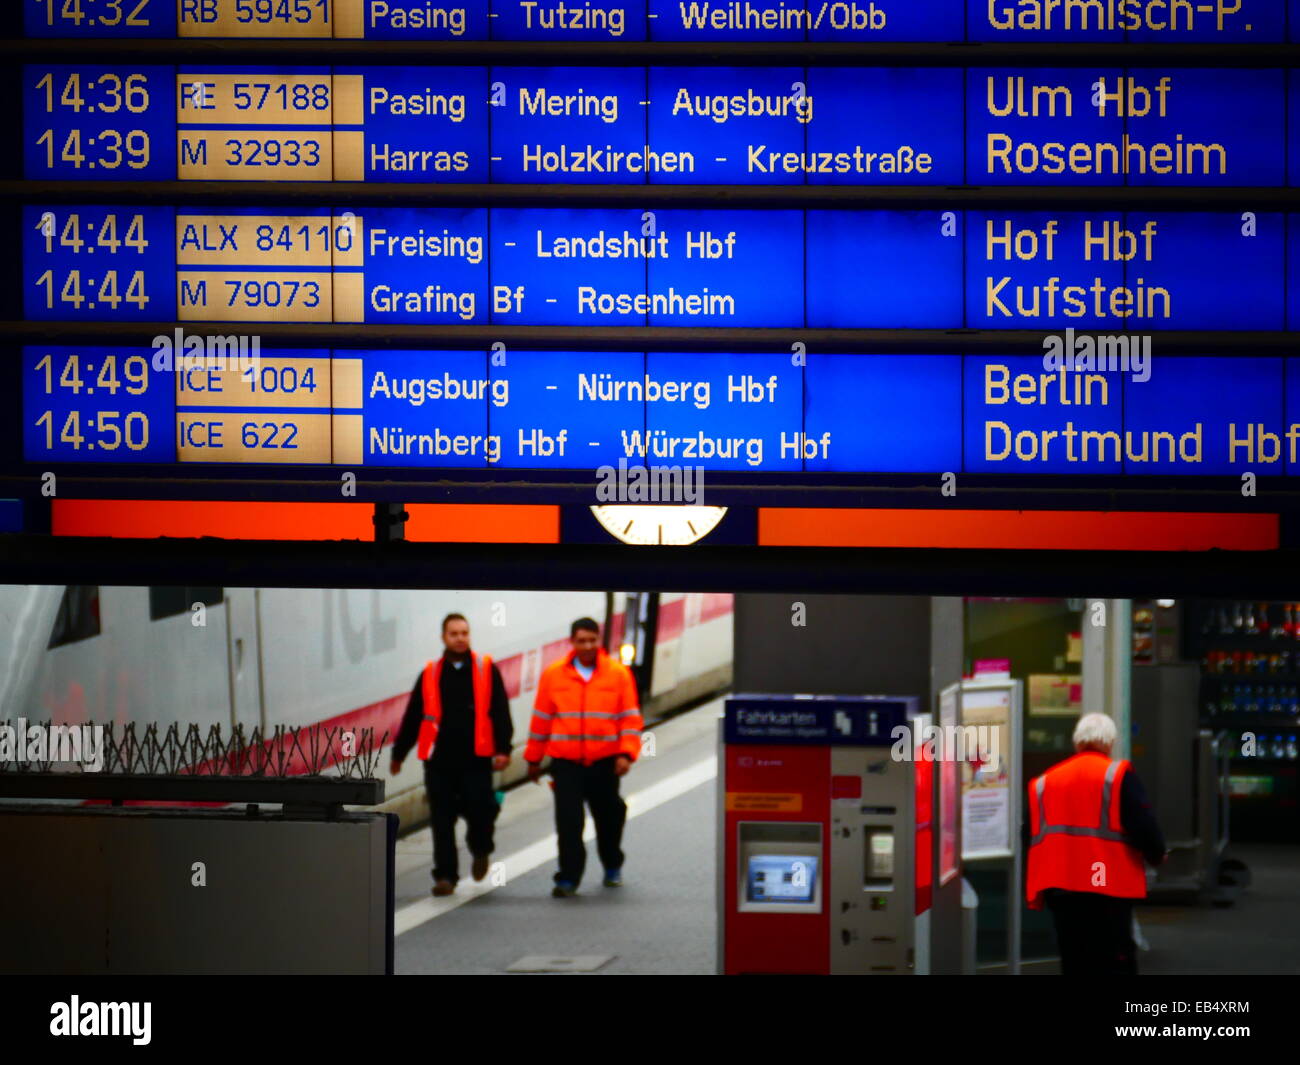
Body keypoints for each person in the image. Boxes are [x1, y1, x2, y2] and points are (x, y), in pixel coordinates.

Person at [1025, 711, 1167, 974]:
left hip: (1062, 885)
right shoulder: (1116, 776)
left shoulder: (1045, 782)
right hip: (1105, 883)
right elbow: (1142, 822)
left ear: (1077, 742)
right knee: (1115, 957)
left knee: (1074, 956)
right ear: (1110, 742)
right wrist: (1157, 854)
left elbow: (1031, 834)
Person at [391, 613, 512, 897]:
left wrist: (504, 749)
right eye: (454, 633)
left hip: (476, 761)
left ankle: (481, 849)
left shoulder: (485, 669)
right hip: (440, 763)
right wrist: (399, 753)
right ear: (444, 638)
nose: (460, 638)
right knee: (442, 820)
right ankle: (445, 875)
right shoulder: (431, 673)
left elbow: (500, 711)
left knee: (481, 814)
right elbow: (414, 715)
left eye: (464, 633)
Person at [525, 617, 642, 897]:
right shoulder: (554, 675)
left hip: (604, 762)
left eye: (592, 640)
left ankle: (612, 863)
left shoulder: (618, 674)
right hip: (566, 765)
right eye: (582, 641)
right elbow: (542, 719)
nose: (587, 646)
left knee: (609, 817)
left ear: (599, 641)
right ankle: (568, 877)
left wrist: (627, 753)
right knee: (568, 822)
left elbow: (630, 718)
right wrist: (533, 759)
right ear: (572, 642)